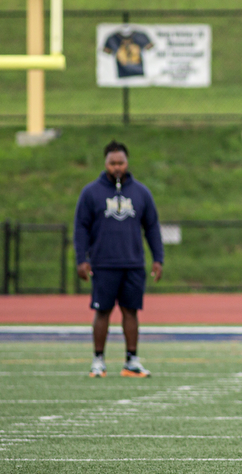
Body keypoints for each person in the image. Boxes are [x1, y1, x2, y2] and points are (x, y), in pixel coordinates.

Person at [74, 140, 163, 378]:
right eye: (112, 163)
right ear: (105, 164)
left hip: (133, 263)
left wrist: (158, 258)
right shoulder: (91, 192)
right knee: (102, 311)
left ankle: (131, 360)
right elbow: (81, 228)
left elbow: (152, 227)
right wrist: (81, 259)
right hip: (103, 263)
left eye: (121, 163)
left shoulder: (141, 192)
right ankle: (98, 360)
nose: (117, 167)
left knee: (131, 311)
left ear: (127, 162)